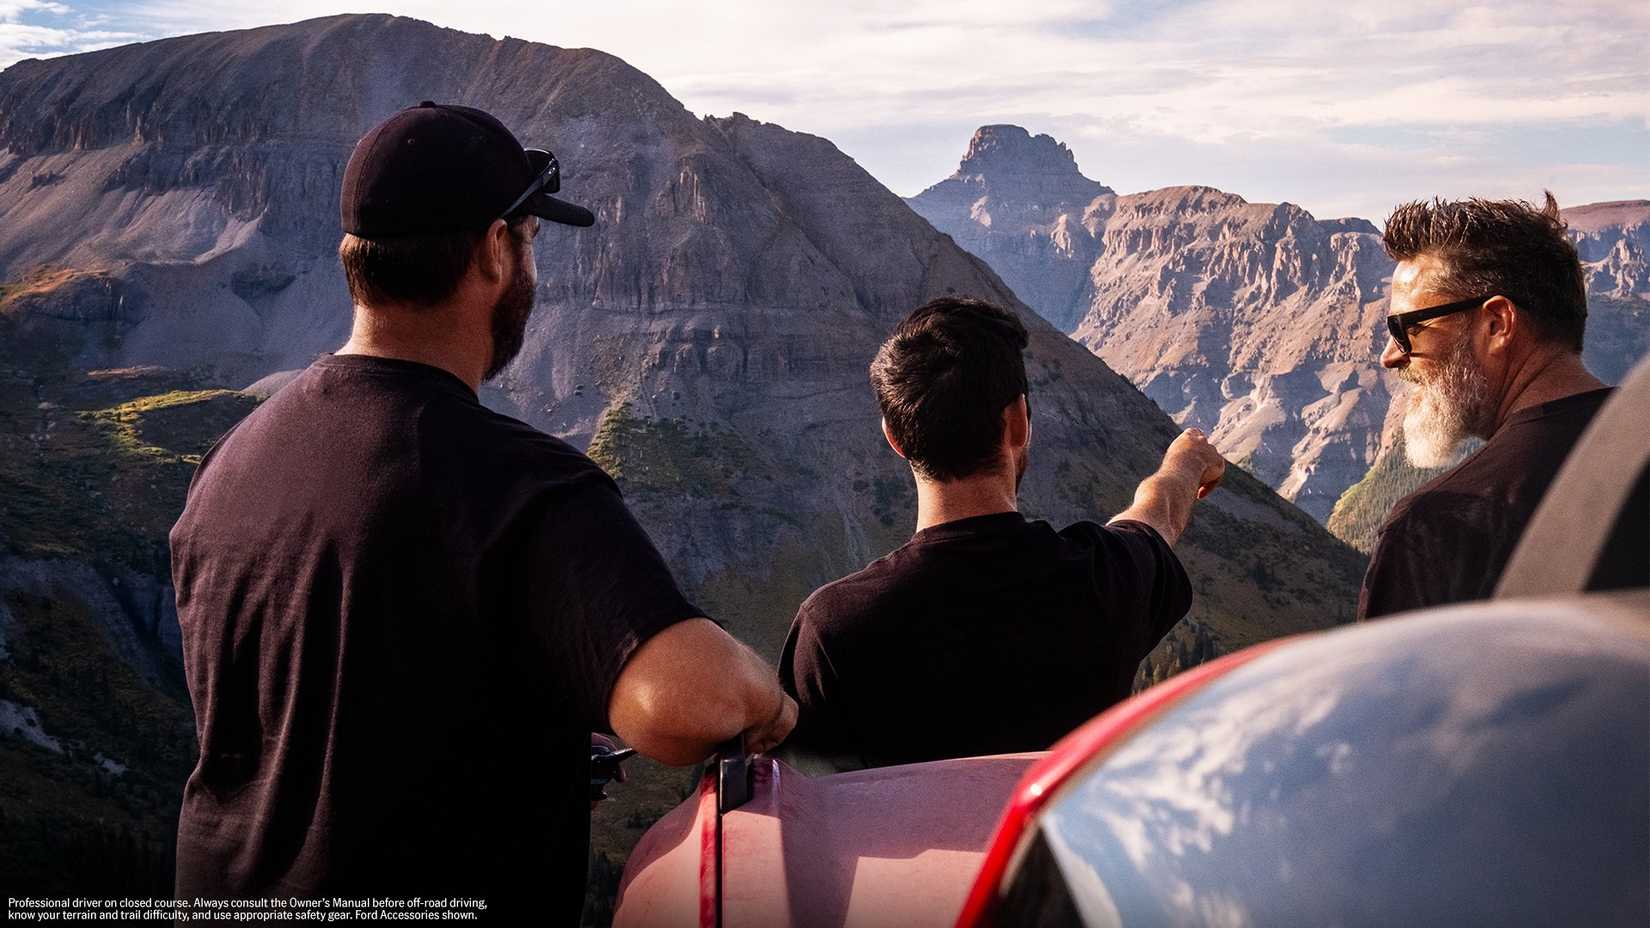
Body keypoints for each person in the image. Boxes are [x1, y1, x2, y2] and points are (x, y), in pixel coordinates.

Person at [169, 102, 795, 921]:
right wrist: (771, 701)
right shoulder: (519, 485)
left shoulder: (231, 462)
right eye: (530, 241)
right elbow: (688, 706)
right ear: (496, 251)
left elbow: (330, 711)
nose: (532, 269)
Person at [776, 297, 1225, 770]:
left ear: (895, 438)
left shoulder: (834, 628)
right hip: (1053, 847)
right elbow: (1156, 516)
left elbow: (794, 796)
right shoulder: (1105, 580)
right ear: (1017, 421)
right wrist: (1189, 458)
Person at [1357, 193, 1643, 620]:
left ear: (1497, 324)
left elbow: (1388, 688)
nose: (1390, 356)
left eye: (1407, 328)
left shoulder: (1440, 526)